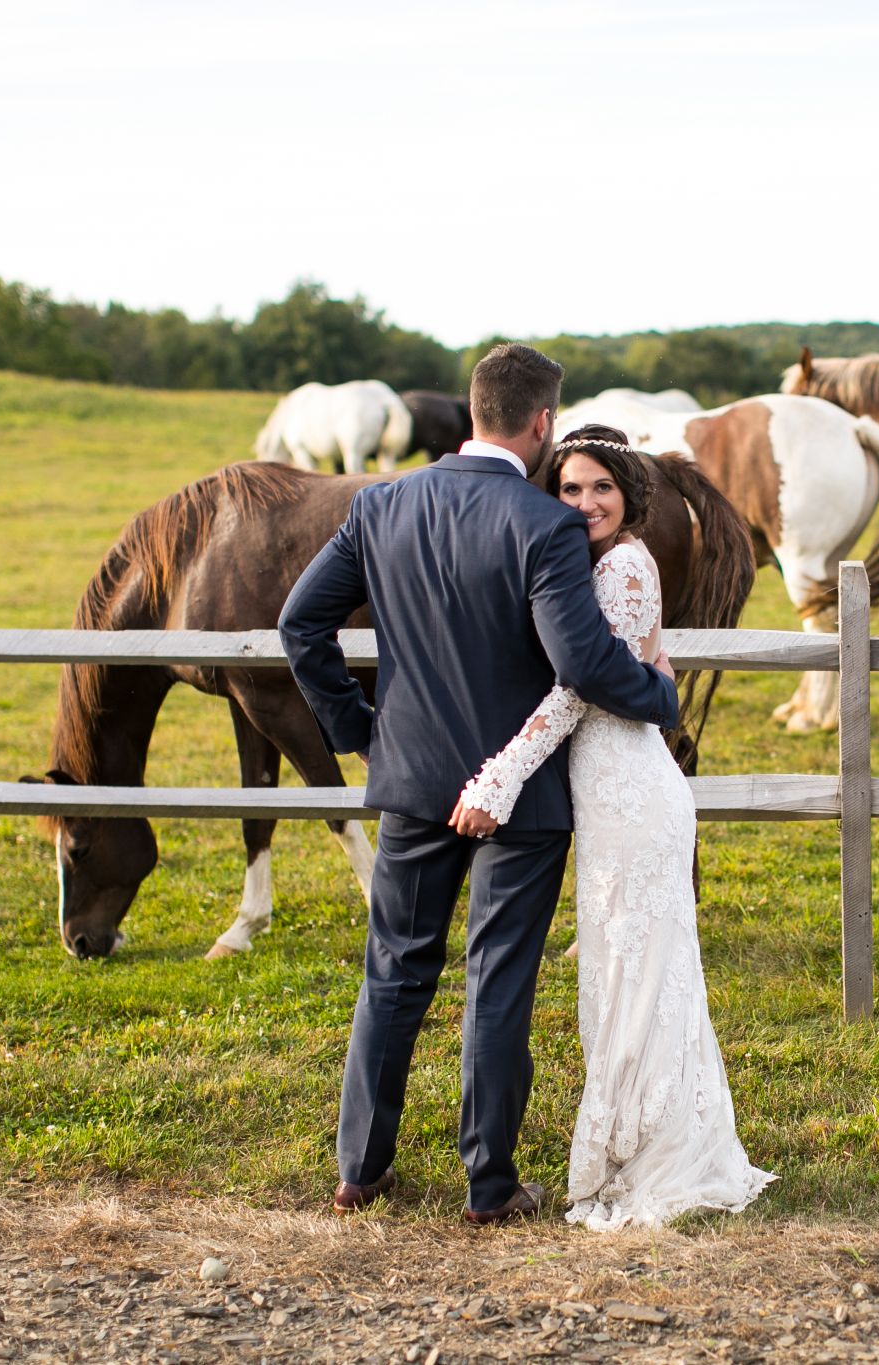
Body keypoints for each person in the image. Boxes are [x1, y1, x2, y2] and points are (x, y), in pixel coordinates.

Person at [278, 344, 679, 1226]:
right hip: (522, 798)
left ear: (471, 410)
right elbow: (583, 662)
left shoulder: (381, 504)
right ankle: (488, 1185)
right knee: (498, 980)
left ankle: (360, 1170)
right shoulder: (547, 525)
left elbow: (299, 623)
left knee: (394, 971)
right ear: (543, 422)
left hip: (411, 777)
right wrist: (661, 693)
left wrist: (362, 731)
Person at [452, 424, 774, 1230]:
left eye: (602, 487)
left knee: (638, 975)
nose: (586, 501)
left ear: (628, 496)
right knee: (622, 975)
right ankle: (643, 1139)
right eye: (571, 487)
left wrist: (501, 773)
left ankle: (654, 1156)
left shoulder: (624, 565)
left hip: (632, 794)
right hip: (605, 794)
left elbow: (580, 690)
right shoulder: (589, 564)